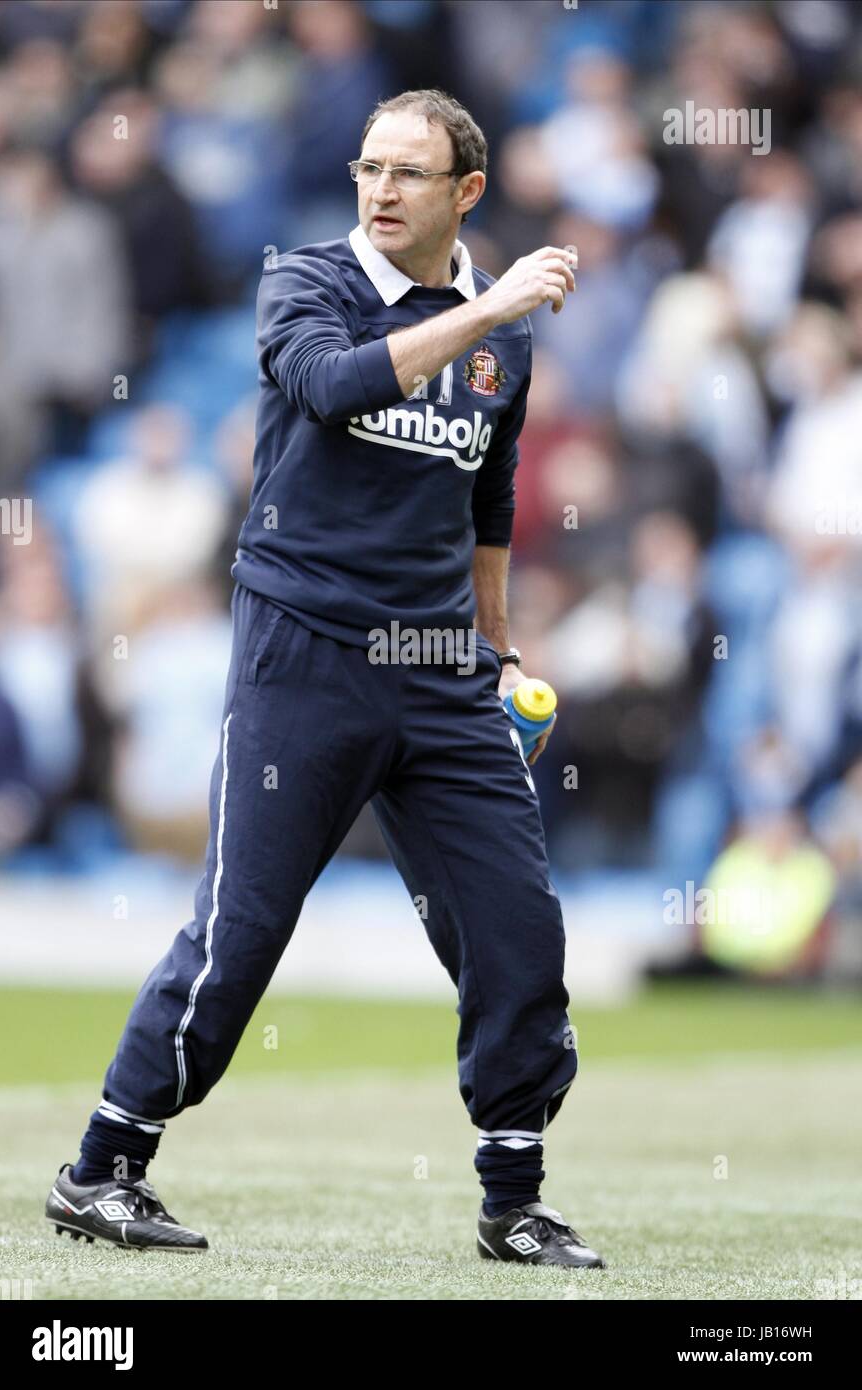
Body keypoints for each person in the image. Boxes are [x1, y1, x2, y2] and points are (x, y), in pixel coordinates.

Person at [45, 88, 605, 1271]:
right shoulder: (307, 280)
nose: (380, 191)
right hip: (302, 652)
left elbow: (489, 498)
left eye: (408, 174)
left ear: (467, 193)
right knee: (242, 933)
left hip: (441, 668)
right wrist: (488, 306)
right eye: (367, 168)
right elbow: (336, 386)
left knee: (516, 929)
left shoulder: (500, 331)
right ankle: (103, 1168)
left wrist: (499, 645)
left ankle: (514, 1197)